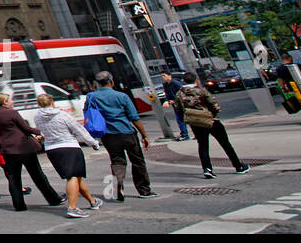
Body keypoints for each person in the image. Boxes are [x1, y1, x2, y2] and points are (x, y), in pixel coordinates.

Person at [85, 70, 156, 200]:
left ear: (96, 84)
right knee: (137, 161)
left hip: (108, 135)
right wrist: (144, 135)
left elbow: (88, 112)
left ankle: (119, 186)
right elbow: (134, 117)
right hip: (126, 132)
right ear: (111, 81)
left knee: (117, 161)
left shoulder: (91, 97)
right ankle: (144, 190)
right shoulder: (122, 96)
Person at [34, 92, 101, 218]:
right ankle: (72, 208)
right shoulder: (62, 115)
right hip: (69, 147)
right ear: (52, 102)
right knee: (72, 177)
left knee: (76, 177)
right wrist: (93, 143)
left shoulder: (37, 117)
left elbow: (44, 131)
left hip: (52, 149)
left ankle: (93, 201)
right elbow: (79, 130)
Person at [0, 93, 63, 212]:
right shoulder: (11, 112)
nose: (12, 102)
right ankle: (53, 198)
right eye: (10, 100)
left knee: (14, 178)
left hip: (8, 149)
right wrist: (39, 131)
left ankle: (19, 204)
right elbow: (25, 128)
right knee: (37, 175)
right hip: (23, 147)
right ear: (5, 102)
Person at [175, 72, 249, 179]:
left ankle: (207, 169)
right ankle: (238, 166)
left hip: (195, 122)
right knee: (225, 143)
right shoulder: (202, 91)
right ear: (195, 80)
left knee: (203, 146)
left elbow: (178, 108)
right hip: (211, 120)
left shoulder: (179, 94)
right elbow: (213, 104)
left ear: (184, 81)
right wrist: (213, 114)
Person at [160, 71, 190, 141]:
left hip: (182, 104)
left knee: (187, 118)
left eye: (164, 75)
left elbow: (182, 93)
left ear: (169, 76)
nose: (163, 77)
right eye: (162, 76)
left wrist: (174, 100)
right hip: (176, 105)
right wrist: (167, 101)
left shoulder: (175, 83)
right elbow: (167, 94)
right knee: (180, 119)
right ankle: (184, 134)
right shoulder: (165, 85)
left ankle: (187, 134)